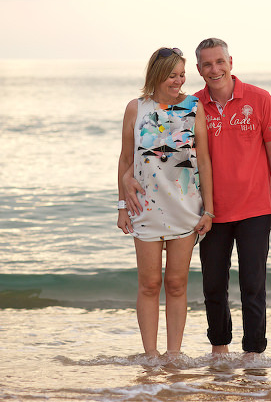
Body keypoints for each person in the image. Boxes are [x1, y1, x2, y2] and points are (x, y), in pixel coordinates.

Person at [125, 38, 271, 356]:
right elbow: (153, 152)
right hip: (210, 211)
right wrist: (125, 180)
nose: (215, 69)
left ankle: (254, 355)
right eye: (207, 64)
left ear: (230, 62)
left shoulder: (258, 98)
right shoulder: (193, 104)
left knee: (253, 285)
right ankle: (219, 352)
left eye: (220, 62)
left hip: (254, 207)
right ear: (200, 70)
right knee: (213, 286)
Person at [117, 47, 214, 357]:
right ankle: (150, 356)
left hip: (185, 207)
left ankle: (173, 356)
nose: (179, 81)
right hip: (144, 207)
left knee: (176, 283)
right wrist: (122, 206)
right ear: (157, 75)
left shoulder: (194, 107)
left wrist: (209, 210)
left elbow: (204, 160)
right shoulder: (136, 108)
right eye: (172, 75)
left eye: (182, 75)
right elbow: (126, 158)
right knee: (148, 284)